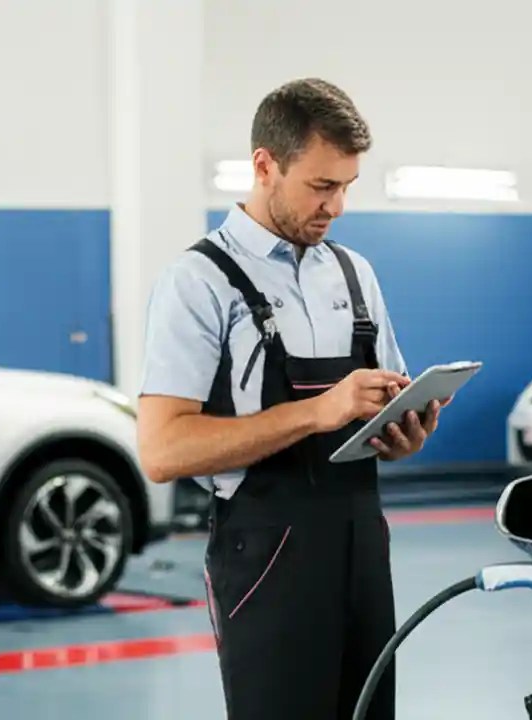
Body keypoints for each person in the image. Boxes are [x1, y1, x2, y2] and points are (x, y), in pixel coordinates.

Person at [136, 77, 443, 719]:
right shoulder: (198, 283)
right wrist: (317, 410)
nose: (336, 206)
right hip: (265, 560)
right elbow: (162, 449)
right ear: (264, 166)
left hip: (362, 547)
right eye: (321, 186)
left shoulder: (356, 275)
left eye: (347, 187)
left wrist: (404, 435)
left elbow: (385, 406)